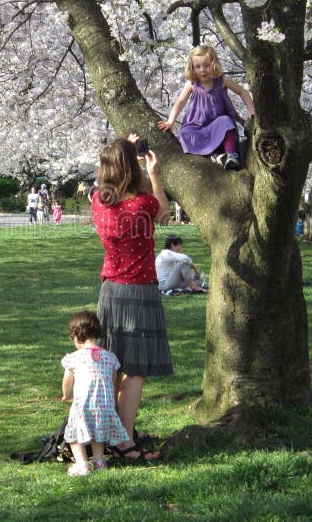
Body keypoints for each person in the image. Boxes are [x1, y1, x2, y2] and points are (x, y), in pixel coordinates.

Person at [92, 134, 172, 461]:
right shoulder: (143, 205)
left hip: (110, 290)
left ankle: (109, 435)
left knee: (110, 365)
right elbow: (164, 211)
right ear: (131, 167)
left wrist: (122, 146)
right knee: (134, 370)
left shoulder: (99, 200)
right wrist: (153, 173)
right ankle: (125, 443)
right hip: (139, 289)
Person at [157, 44, 255, 171]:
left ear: (214, 64)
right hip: (197, 125)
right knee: (185, 134)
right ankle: (215, 156)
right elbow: (180, 101)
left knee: (226, 121)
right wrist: (170, 121)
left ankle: (231, 155)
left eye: (206, 65)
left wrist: (251, 108)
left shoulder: (222, 80)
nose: (202, 70)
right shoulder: (192, 84)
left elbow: (242, 91)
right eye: (198, 66)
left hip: (217, 125)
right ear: (192, 68)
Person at [61, 310, 129, 476]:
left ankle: (82, 464)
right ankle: (99, 461)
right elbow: (114, 381)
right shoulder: (110, 357)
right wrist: (112, 399)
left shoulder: (74, 358)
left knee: (73, 435)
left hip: (83, 405)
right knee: (98, 433)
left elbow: (68, 381)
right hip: (105, 405)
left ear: (76, 335)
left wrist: (66, 394)